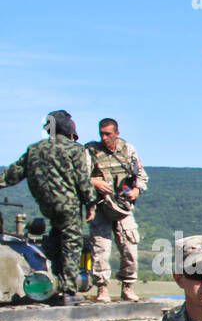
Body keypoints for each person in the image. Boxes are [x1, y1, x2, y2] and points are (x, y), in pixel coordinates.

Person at [1, 109, 95, 305]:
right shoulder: (74, 149)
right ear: (68, 129)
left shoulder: (34, 149)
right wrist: (91, 204)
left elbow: (11, 175)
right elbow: (83, 181)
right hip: (68, 205)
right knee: (71, 244)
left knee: (54, 239)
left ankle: (50, 280)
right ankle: (68, 290)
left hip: (47, 206)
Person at [85, 118, 148, 303]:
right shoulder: (90, 151)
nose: (104, 138)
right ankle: (102, 288)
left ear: (116, 133)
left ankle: (128, 287)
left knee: (130, 248)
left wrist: (136, 190)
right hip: (100, 206)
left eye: (108, 134)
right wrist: (95, 182)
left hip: (122, 207)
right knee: (101, 250)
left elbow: (141, 176)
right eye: (102, 134)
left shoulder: (127, 150)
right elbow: (79, 176)